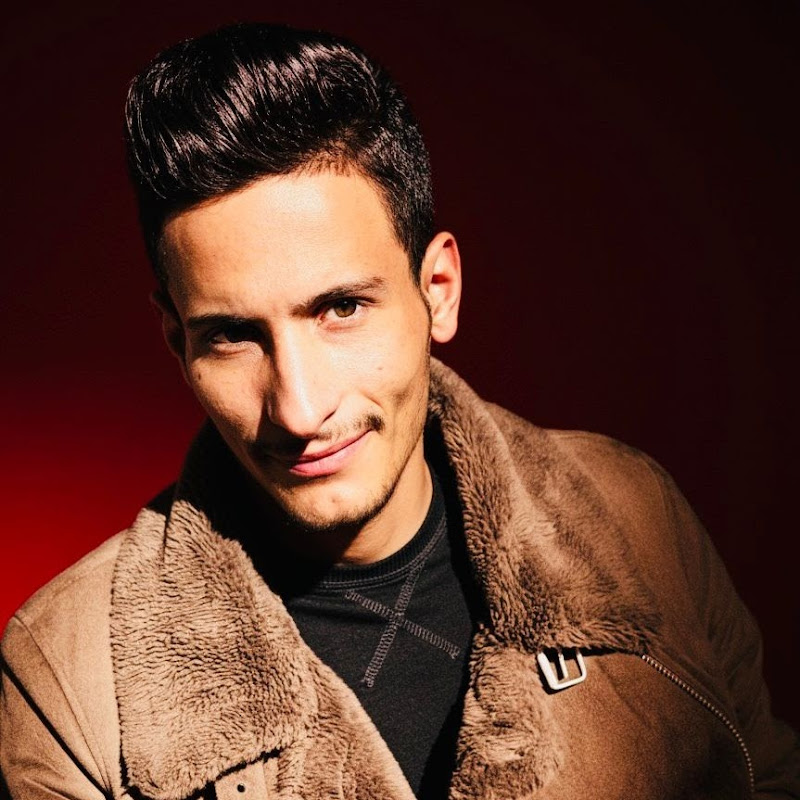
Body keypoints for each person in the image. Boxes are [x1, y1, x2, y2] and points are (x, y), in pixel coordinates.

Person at [1, 21, 797, 800]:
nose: (300, 409)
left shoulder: (633, 511)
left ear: (437, 291)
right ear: (178, 344)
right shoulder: (69, 673)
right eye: (234, 336)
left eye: (341, 308)